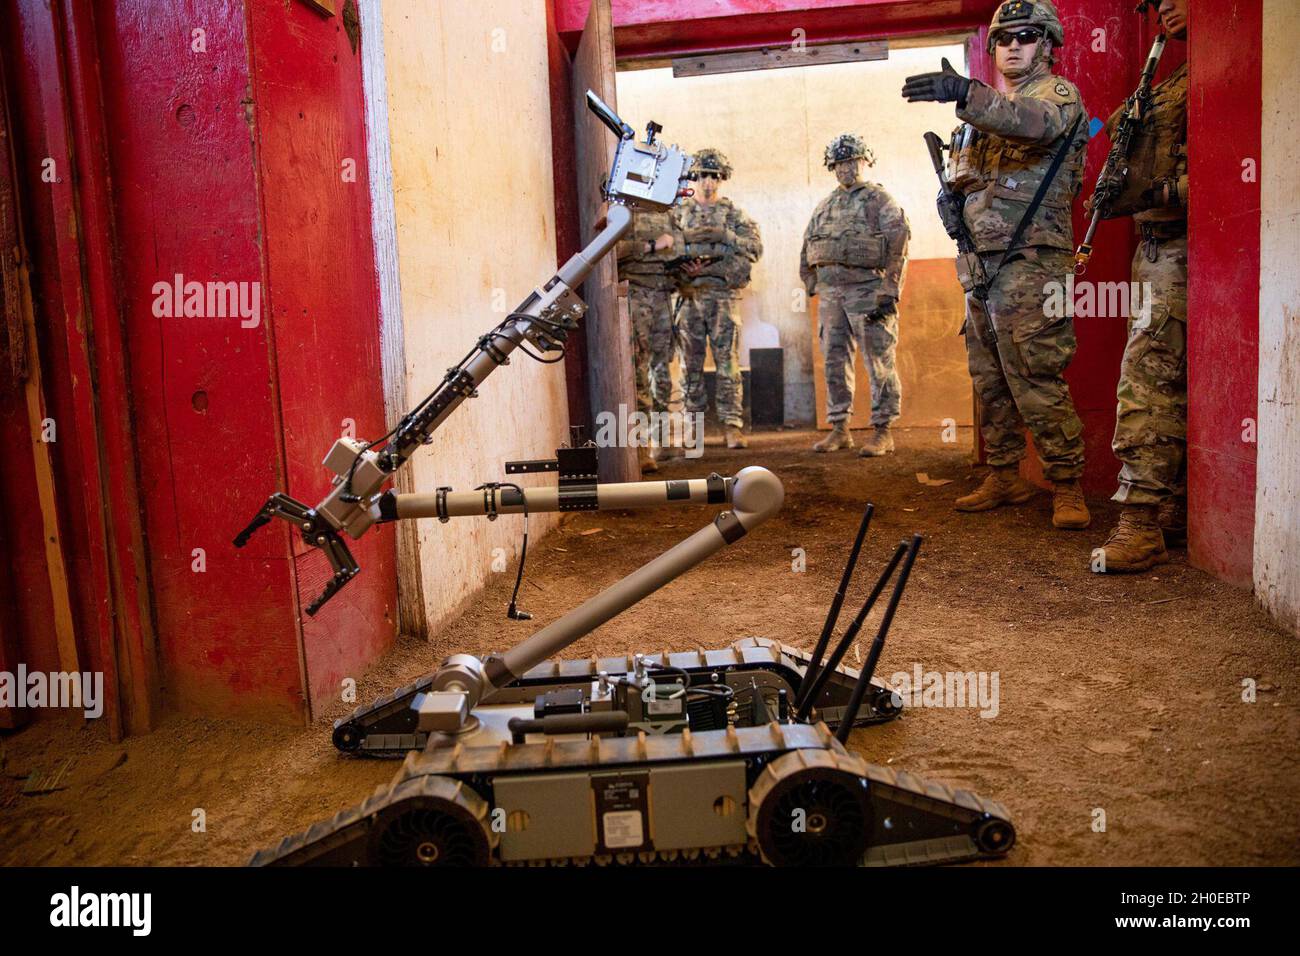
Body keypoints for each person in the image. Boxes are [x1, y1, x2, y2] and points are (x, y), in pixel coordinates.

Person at [902, 0, 1091, 530]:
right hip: (980, 262)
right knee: (990, 376)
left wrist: (966, 92)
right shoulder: (985, 114)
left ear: (1048, 44)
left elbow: (1031, 126)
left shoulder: (1055, 96)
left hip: (1032, 259)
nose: (1012, 44)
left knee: (1036, 372)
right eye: (1003, 37)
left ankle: (1067, 483)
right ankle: (1005, 472)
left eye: (1027, 35)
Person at [1093, 0, 1189, 572]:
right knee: (1161, 376)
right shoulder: (1168, 76)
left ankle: (1142, 519)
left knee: (1146, 381)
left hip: (1182, 248)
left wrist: (1154, 196)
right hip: (1152, 250)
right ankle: (1171, 507)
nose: (1168, 7)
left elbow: (1227, 171)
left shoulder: (1217, 77)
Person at [800, 133, 910, 457]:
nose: (845, 169)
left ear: (865, 161)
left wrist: (890, 288)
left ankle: (883, 431)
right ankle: (839, 428)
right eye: (839, 163)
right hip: (832, 295)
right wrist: (810, 282)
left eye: (852, 161)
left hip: (868, 291)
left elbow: (899, 245)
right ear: (832, 167)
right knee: (834, 360)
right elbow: (807, 246)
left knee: (879, 362)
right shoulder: (825, 206)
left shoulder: (880, 201)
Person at [674, 148, 763, 451]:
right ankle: (693, 430)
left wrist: (725, 239)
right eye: (702, 176)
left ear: (722, 179)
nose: (708, 182)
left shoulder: (733, 214)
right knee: (690, 365)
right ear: (694, 177)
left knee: (728, 363)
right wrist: (685, 263)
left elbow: (754, 248)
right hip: (689, 297)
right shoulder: (680, 213)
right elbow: (666, 248)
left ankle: (731, 425)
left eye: (714, 176)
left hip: (723, 297)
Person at [615, 210, 682, 473]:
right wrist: (651, 246)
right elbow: (613, 250)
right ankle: (642, 448)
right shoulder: (621, 211)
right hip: (636, 294)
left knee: (663, 371)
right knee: (638, 373)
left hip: (663, 295)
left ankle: (664, 440)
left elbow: (679, 247)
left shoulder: (668, 213)